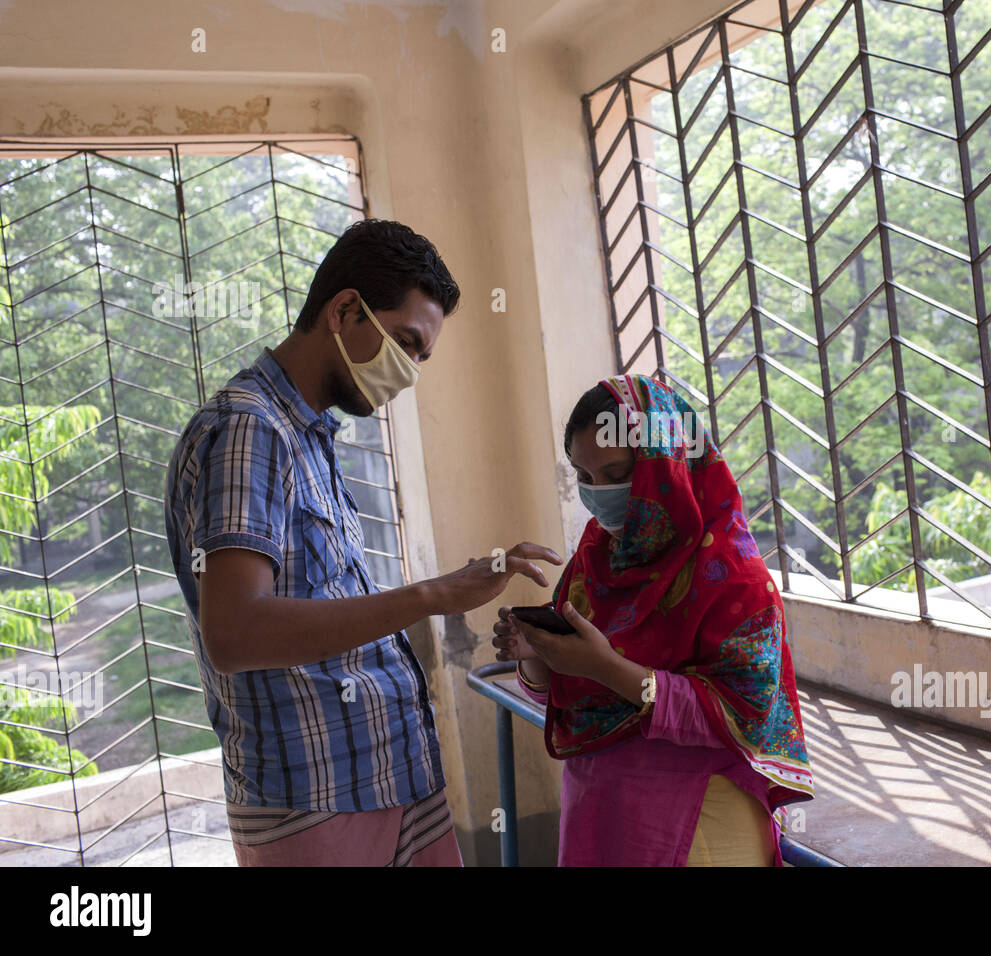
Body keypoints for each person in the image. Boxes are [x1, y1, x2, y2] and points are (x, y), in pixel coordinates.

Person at [164, 219, 561, 866]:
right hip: (314, 798)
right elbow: (235, 633)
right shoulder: (249, 431)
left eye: (421, 358)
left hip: (389, 774)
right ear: (345, 309)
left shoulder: (308, 434)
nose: (407, 373)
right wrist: (435, 594)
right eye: (405, 344)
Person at [492, 373, 814, 866]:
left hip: (695, 827)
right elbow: (563, 693)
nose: (598, 495)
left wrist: (607, 668)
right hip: (597, 817)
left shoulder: (734, 578)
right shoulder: (598, 556)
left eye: (617, 473)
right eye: (584, 476)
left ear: (667, 459)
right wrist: (536, 655)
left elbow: (741, 714)